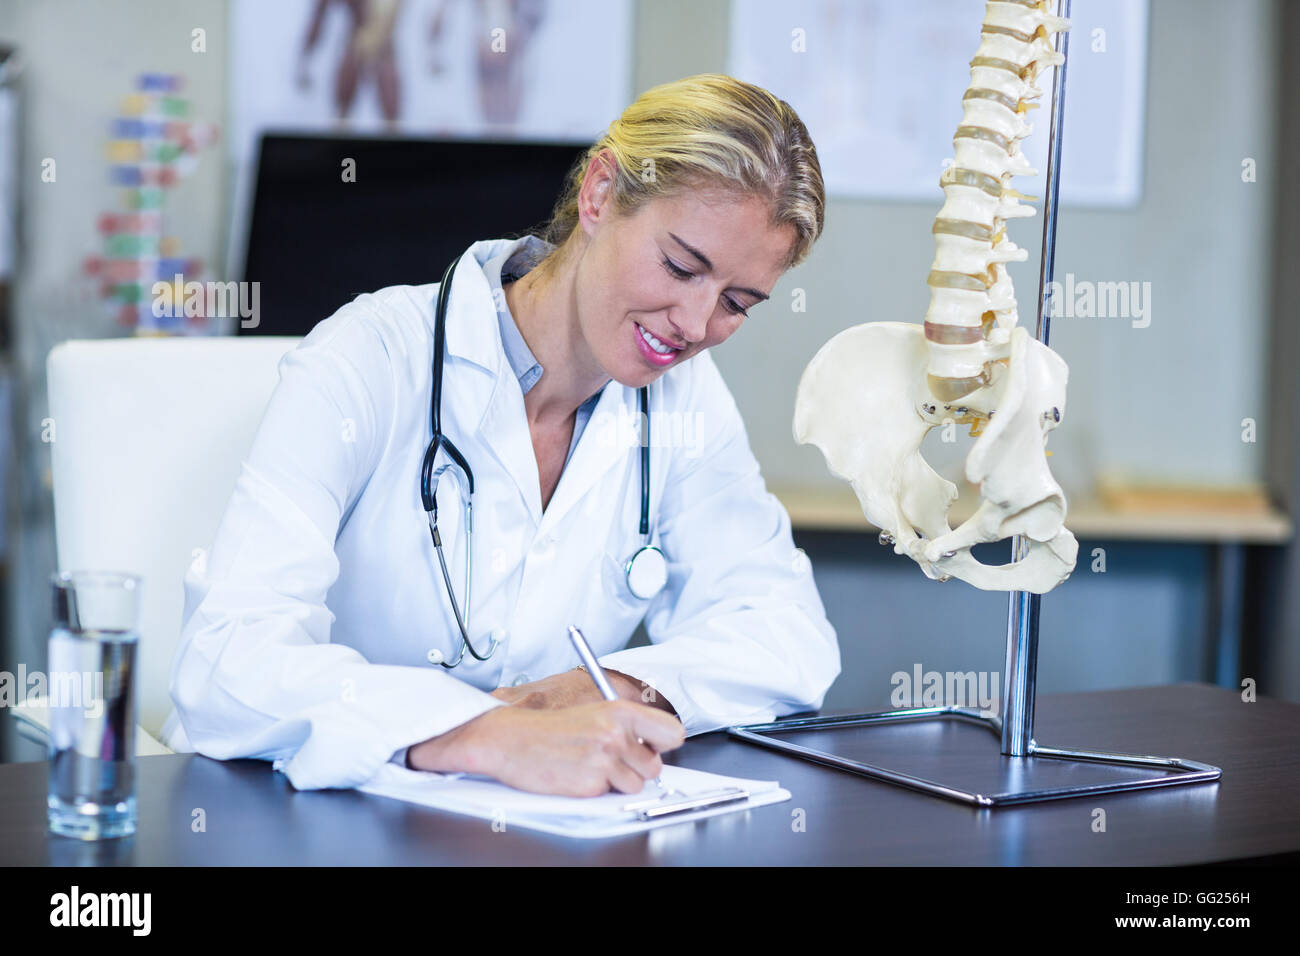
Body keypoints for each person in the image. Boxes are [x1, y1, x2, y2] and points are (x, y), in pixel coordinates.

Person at [167, 73, 840, 796]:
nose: (695, 324)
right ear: (601, 193)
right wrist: (479, 734)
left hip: (536, 831)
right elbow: (226, 660)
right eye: (680, 266)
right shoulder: (369, 359)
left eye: (738, 303)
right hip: (304, 819)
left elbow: (788, 636)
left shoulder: (682, 400)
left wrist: (590, 691)